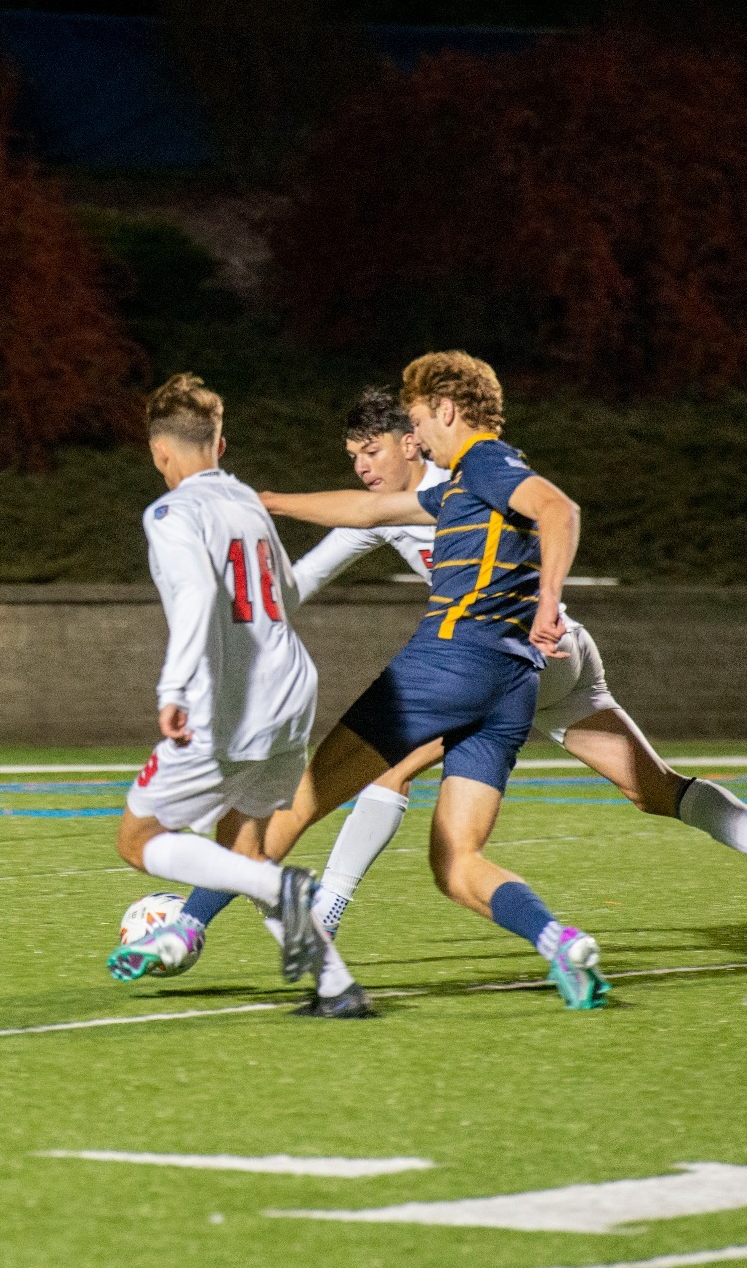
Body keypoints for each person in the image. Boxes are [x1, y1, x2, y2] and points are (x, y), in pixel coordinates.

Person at [177, 389, 747, 964]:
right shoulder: (414, 500)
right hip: (560, 657)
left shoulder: (466, 478)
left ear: (416, 440)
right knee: (654, 789)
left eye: (372, 452)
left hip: (511, 660)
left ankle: (292, 916)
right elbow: (322, 558)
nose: (362, 467)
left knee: (367, 774)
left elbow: (546, 508)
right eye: (354, 456)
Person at [154, 351, 607, 1009]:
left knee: (298, 795)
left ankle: (184, 928)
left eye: (420, 419)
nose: (416, 434)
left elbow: (559, 510)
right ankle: (560, 941)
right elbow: (371, 511)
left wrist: (548, 600)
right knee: (455, 862)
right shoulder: (462, 486)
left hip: (448, 661)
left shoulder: (483, 461)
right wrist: (267, 499)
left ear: (447, 411)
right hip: (511, 684)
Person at [104, 374, 370, 1017]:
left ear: (160, 452)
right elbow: (289, 590)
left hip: (227, 705)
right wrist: (353, 541)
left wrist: (172, 687)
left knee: (138, 840)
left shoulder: (171, 513)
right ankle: (338, 989)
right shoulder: (247, 502)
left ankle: (277, 887)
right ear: (220, 443)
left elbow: (195, 597)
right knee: (241, 845)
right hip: (291, 692)